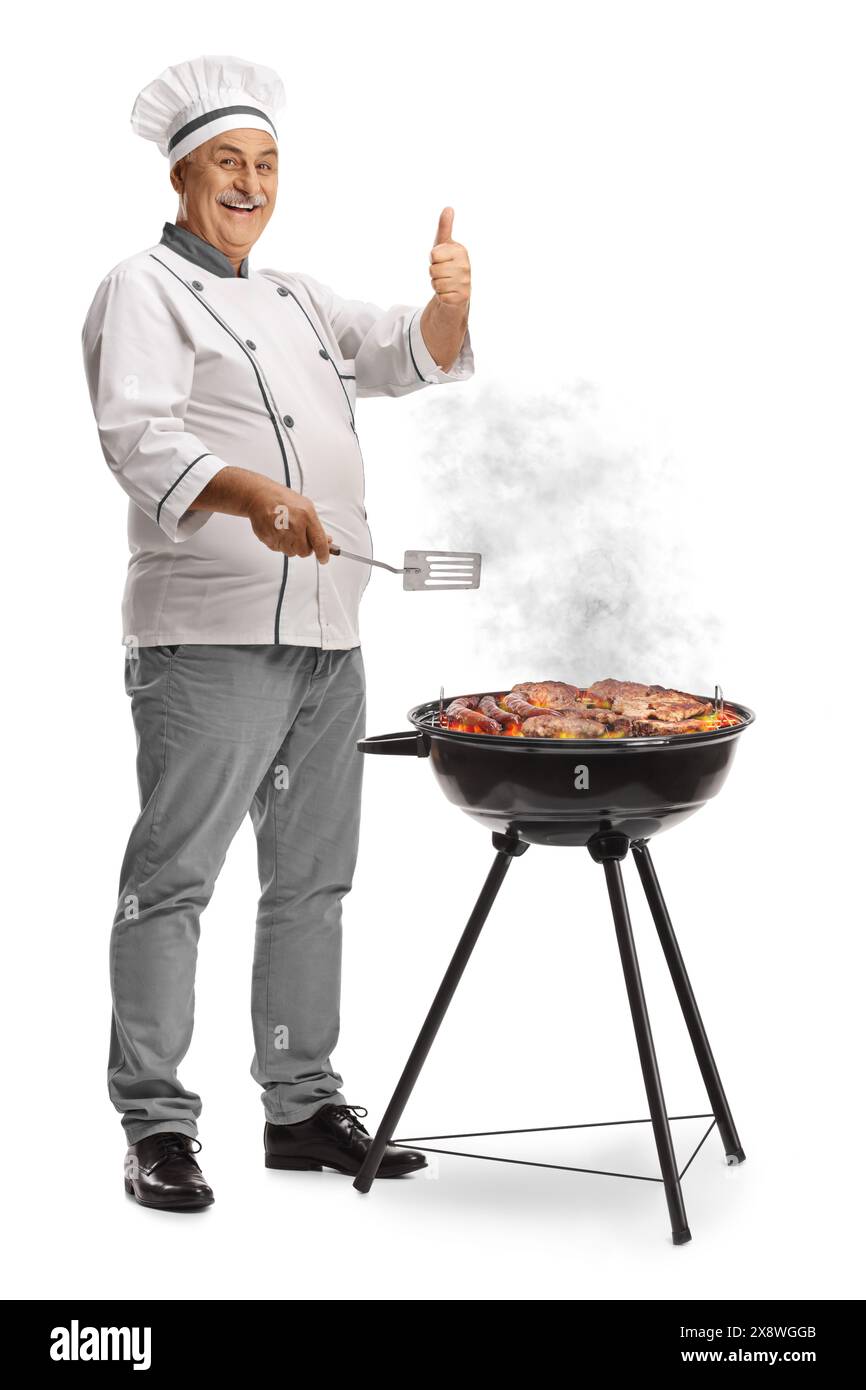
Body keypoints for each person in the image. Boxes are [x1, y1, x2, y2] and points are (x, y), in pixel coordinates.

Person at [81, 54, 474, 1211]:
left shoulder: (298, 295)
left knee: (311, 884)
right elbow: (137, 436)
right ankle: (154, 1124)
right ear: (182, 173)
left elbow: (408, 351)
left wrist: (449, 297)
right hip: (205, 641)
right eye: (227, 164)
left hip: (327, 635)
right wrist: (250, 494)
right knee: (174, 880)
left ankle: (301, 1104)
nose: (249, 183)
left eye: (264, 164)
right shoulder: (140, 287)